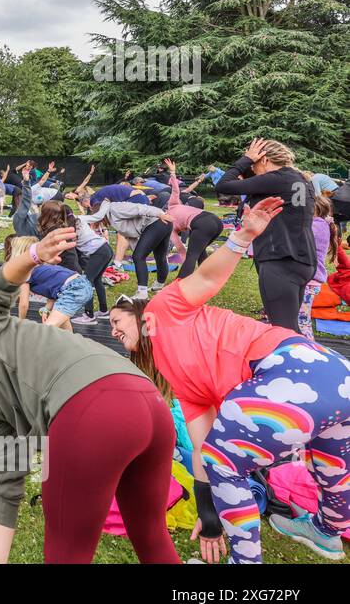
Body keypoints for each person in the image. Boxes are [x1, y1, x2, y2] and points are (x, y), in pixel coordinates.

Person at [0, 225, 180, 563]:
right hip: (149, 404)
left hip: (95, 408)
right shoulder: (5, 383)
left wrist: (31, 257)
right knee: (150, 534)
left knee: (66, 554)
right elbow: (7, 477)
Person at [110, 197, 350, 562]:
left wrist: (242, 236)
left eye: (117, 321)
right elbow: (202, 455)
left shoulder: (164, 310)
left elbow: (206, 277)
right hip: (334, 373)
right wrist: (208, 518)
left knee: (228, 460)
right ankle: (326, 534)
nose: (112, 330)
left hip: (289, 368)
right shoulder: (184, 384)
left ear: (139, 314)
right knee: (331, 466)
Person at [216, 138, 316, 333]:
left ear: (263, 160)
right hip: (303, 259)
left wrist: (244, 159)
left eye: (254, 165)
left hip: (280, 259)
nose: (252, 170)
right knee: (290, 326)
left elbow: (223, 185)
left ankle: (294, 362)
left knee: (282, 330)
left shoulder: (275, 178)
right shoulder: (302, 179)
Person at [77, 198, 171, 298]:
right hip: (163, 223)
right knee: (159, 257)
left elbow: (139, 208)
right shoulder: (112, 219)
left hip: (160, 220)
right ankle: (159, 285)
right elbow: (130, 235)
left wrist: (159, 213)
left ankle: (142, 293)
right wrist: (138, 252)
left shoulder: (115, 208)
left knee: (138, 257)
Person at [4, 235, 94, 331]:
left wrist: (20, 323)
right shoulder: (42, 267)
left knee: (46, 331)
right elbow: (55, 290)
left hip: (74, 288)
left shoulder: (26, 272)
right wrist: (47, 309)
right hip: (80, 285)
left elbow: (24, 304)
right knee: (63, 322)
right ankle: (70, 343)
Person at [162, 159, 224, 282]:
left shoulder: (170, 225)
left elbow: (182, 251)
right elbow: (175, 189)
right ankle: (207, 279)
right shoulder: (173, 205)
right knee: (199, 251)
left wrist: (173, 172)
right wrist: (173, 172)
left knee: (192, 255)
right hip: (216, 221)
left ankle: (178, 286)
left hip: (203, 224)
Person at [299, 196, 339, 340]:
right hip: (309, 279)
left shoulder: (317, 225)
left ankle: (309, 347)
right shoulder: (318, 223)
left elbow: (299, 238)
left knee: (302, 321)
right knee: (301, 319)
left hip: (310, 281)